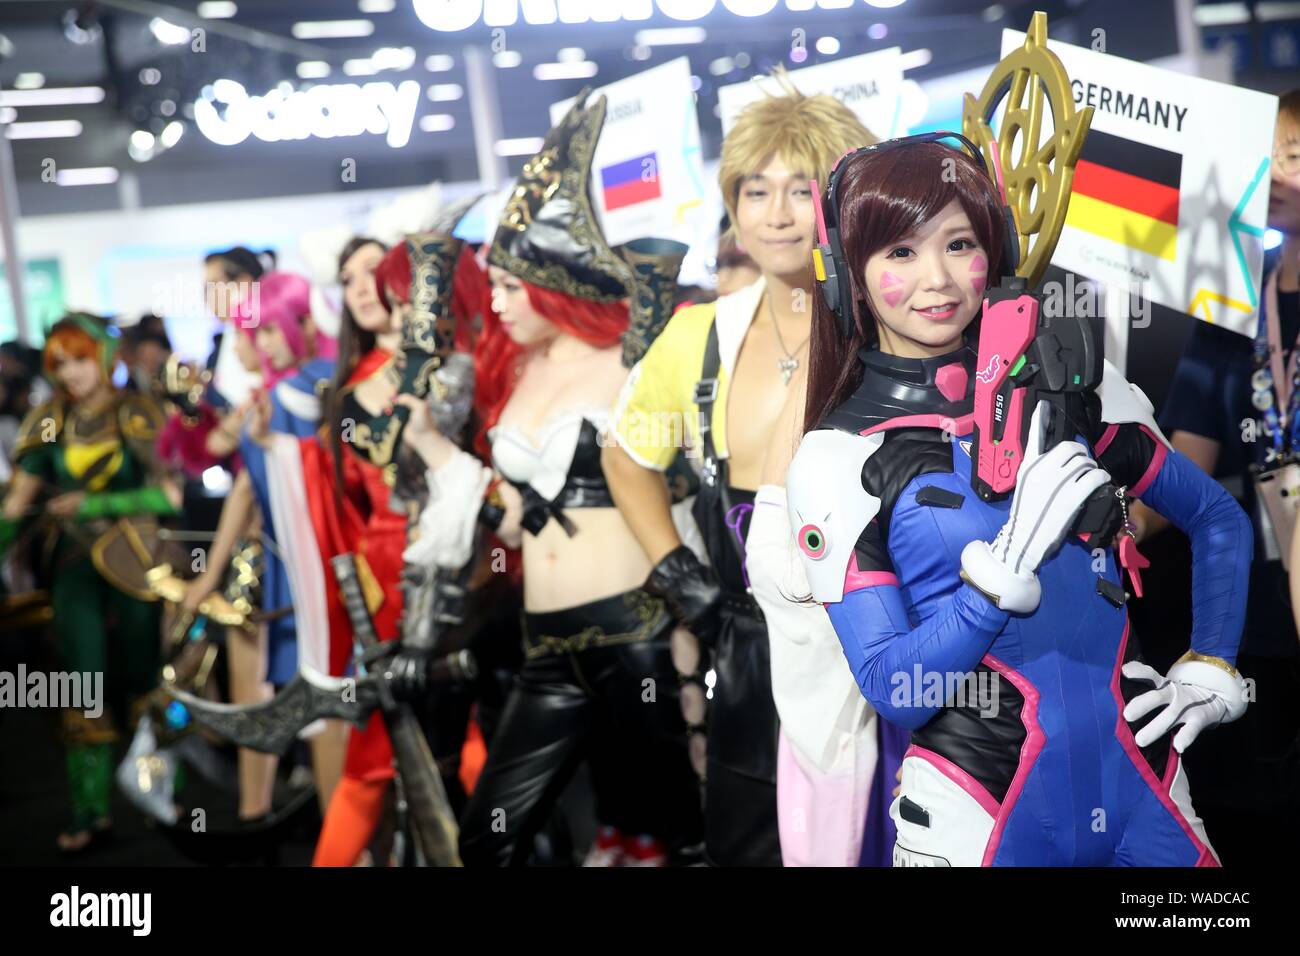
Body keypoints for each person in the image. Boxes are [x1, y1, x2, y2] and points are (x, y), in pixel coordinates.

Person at [785, 134, 1254, 866]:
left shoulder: (1076, 388)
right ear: (849, 274)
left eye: (960, 243)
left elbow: (1217, 517)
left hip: (1146, 782)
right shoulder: (838, 458)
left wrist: (1214, 663)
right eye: (900, 253)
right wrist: (996, 581)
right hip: (981, 812)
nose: (938, 279)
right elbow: (894, 688)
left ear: (995, 247)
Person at [401, 92, 701, 867]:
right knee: (488, 835)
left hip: (639, 629)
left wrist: (692, 629)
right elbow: (512, 518)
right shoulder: (521, 376)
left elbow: (680, 485)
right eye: (492, 287)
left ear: (552, 284)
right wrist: (434, 450)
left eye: (507, 286)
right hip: (546, 643)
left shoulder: (635, 364)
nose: (494, 303)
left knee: (690, 828)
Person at [602, 80, 874, 866]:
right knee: (751, 839)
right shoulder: (698, 335)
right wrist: (682, 580)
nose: (777, 213)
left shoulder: (896, 317)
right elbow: (625, 455)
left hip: (876, 641)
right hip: (748, 647)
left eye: (802, 189)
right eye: (755, 191)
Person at [1136, 89, 1300, 864]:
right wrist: (1110, 525)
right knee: (1257, 818)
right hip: (1261, 624)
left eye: (1296, 156)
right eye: (1272, 157)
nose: (1281, 175)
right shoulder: (1231, 308)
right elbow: (1186, 470)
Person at [1, 313, 180, 852]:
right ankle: (90, 811)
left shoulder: (137, 412)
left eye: (80, 359)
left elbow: (169, 497)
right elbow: (17, 503)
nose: (72, 372)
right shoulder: (49, 418)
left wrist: (97, 502)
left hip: (139, 565)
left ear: (102, 358)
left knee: (151, 680)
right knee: (81, 685)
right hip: (75, 567)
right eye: (61, 362)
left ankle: (163, 798)